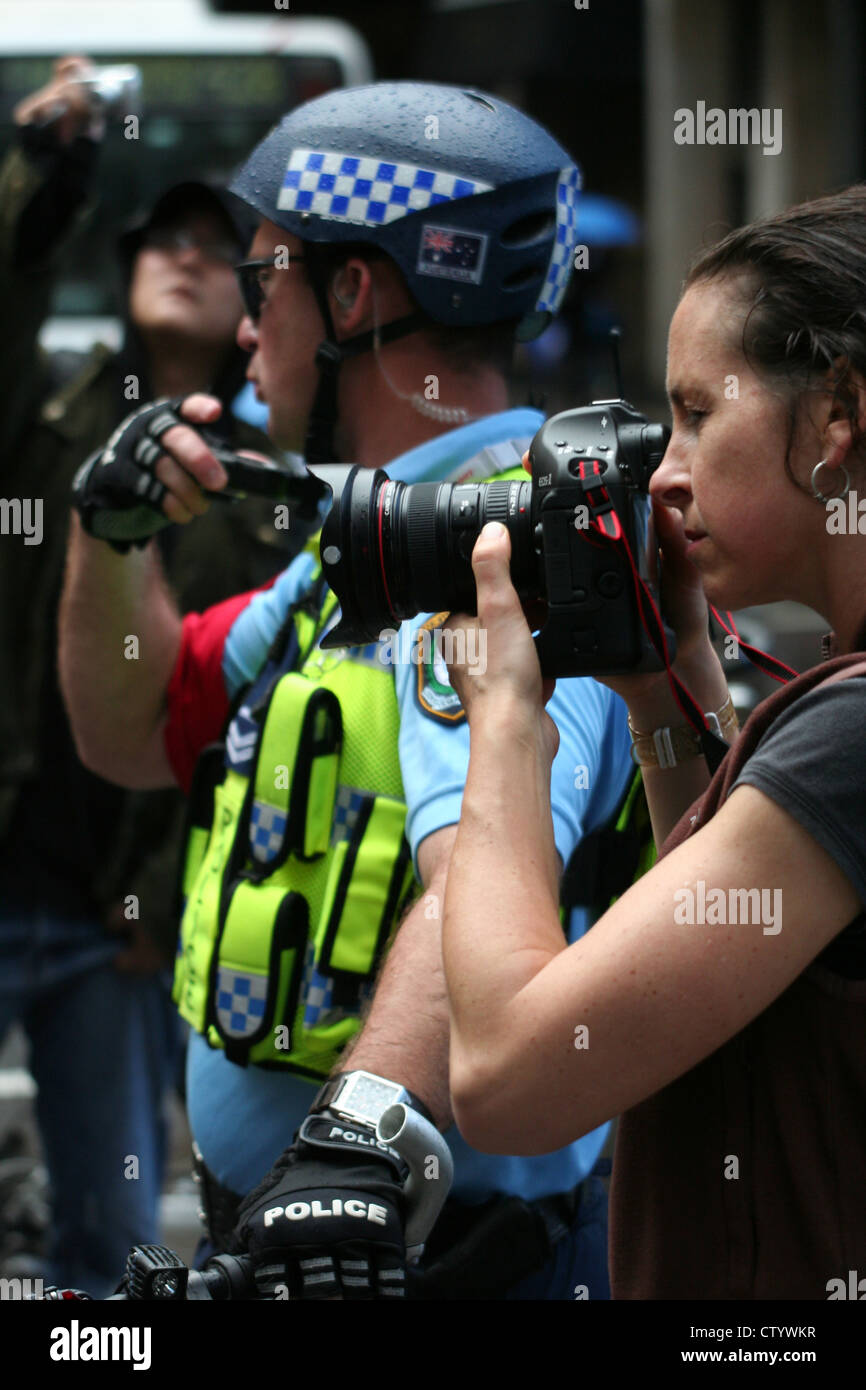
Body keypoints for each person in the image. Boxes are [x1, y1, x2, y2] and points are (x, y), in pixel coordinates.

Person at [59, 81, 636, 1299]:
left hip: (439, 1253)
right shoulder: (367, 542)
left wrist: (357, 1136)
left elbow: (486, 870)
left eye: (263, 278)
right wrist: (106, 540)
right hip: (309, 1245)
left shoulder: (515, 544)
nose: (242, 324)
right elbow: (134, 728)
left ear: (354, 295)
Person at [439, 185, 866, 1299]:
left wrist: (502, 724)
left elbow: (506, 1078)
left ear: (835, 417)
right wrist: (662, 695)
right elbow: (738, 966)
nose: (664, 473)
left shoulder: (849, 734)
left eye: (694, 412)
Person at [0, 56, 298, 1296]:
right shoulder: (45, 423)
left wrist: (162, 894)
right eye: (158, 236)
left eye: (211, 240)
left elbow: (260, 721)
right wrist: (45, 167)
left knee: (116, 1243)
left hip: (111, 925)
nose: (183, 252)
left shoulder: (281, 493)